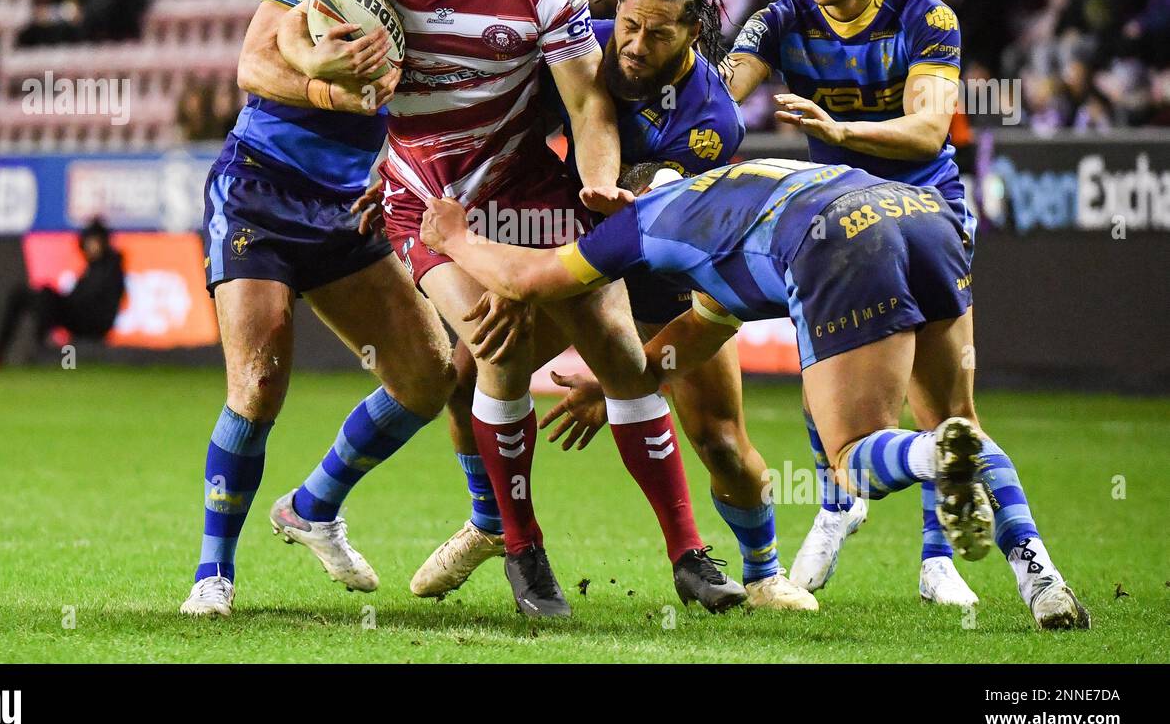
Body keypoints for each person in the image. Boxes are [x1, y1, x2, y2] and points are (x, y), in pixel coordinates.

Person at [309, 0, 737, 618]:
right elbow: (311, 51)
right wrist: (331, 67)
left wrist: (602, 186)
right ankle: (523, 551)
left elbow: (588, 105)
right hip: (427, 200)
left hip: (528, 185)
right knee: (496, 352)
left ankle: (688, 553)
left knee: (616, 342)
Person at [419, 158, 1092, 631]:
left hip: (840, 241)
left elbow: (533, 279)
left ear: (625, 195)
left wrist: (455, 236)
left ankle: (929, 456)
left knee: (852, 454)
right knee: (962, 418)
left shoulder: (644, 217)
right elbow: (703, 329)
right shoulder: (732, 188)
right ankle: (1044, 585)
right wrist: (617, 380)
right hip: (921, 214)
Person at [403, 0, 815, 612]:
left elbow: (654, 217)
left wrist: (616, 368)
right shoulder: (581, 45)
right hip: (577, 245)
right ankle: (491, 523)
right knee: (467, 377)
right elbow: (492, 125)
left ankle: (764, 570)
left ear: (693, 34)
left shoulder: (710, 118)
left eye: (657, 33)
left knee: (717, 436)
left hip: (667, 269)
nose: (635, 42)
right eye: (629, 23)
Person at [179, 0, 458, 618]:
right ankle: (213, 575)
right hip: (260, 194)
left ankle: (313, 505)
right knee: (261, 379)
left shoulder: (447, 12)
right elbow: (254, 63)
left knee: (430, 378)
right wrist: (329, 88)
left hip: (347, 209)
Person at [724, 0, 980, 605]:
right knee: (821, 378)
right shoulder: (781, 18)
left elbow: (930, 131)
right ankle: (839, 508)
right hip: (840, 226)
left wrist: (839, 133)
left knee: (942, 394)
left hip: (929, 213)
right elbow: (719, 93)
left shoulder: (926, 17)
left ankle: (936, 562)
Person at [0, 218, 124, 364]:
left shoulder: (111, 268)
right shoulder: (92, 267)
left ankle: (40, 348)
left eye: (94, 241)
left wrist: (62, 301)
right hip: (77, 314)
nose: (90, 246)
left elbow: (94, 302)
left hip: (91, 323)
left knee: (46, 296)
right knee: (21, 294)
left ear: (104, 242)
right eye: (88, 242)